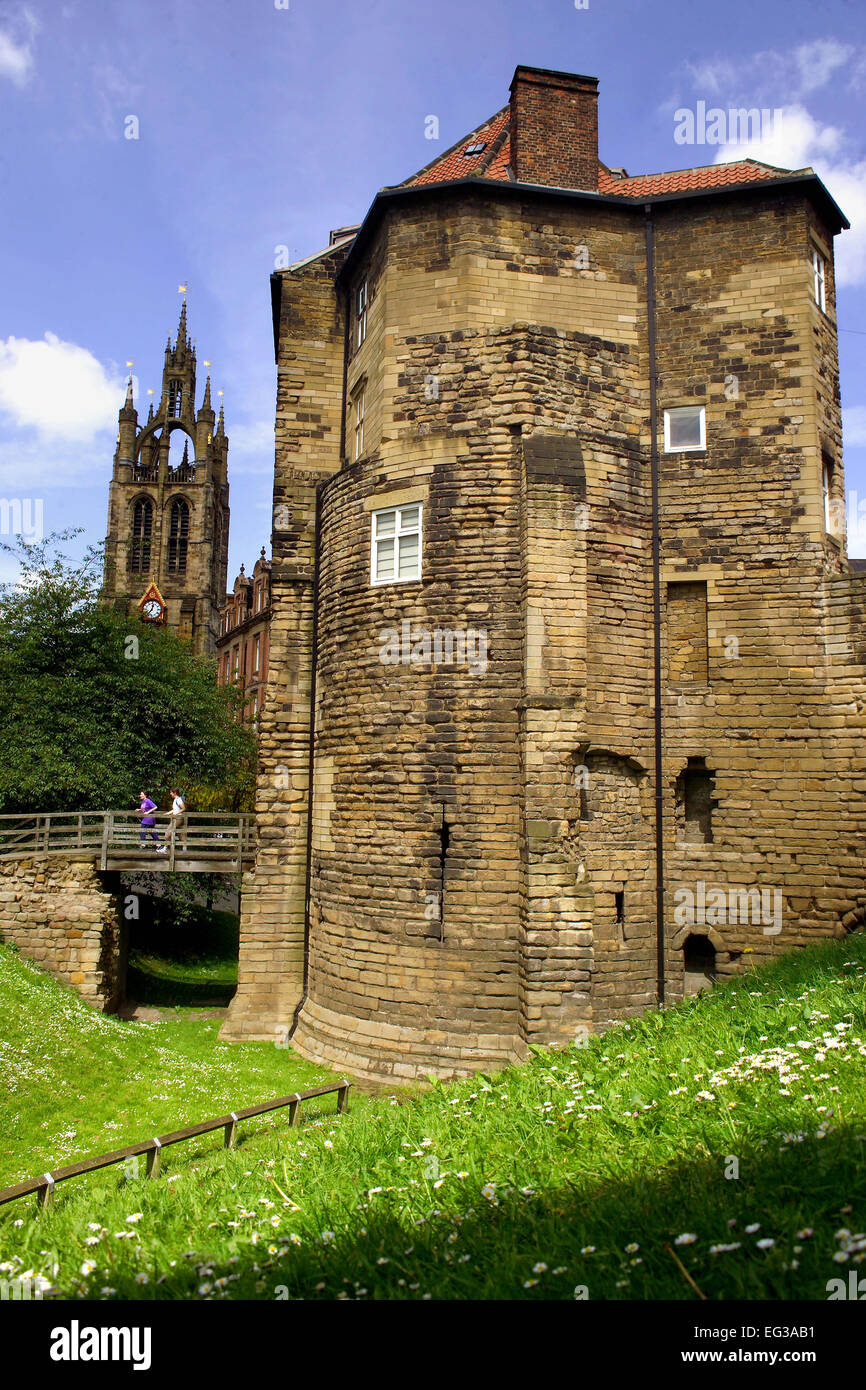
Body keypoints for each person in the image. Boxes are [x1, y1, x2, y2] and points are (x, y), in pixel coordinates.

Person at [157, 788, 186, 854]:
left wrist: (176, 814)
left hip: (178, 819)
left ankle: (165, 848)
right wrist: (167, 813)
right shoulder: (175, 800)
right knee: (180, 834)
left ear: (175, 793)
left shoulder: (178, 799)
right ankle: (184, 850)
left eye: (171, 792)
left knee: (167, 833)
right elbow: (174, 809)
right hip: (177, 818)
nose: (170, 794)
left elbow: (183, 808)